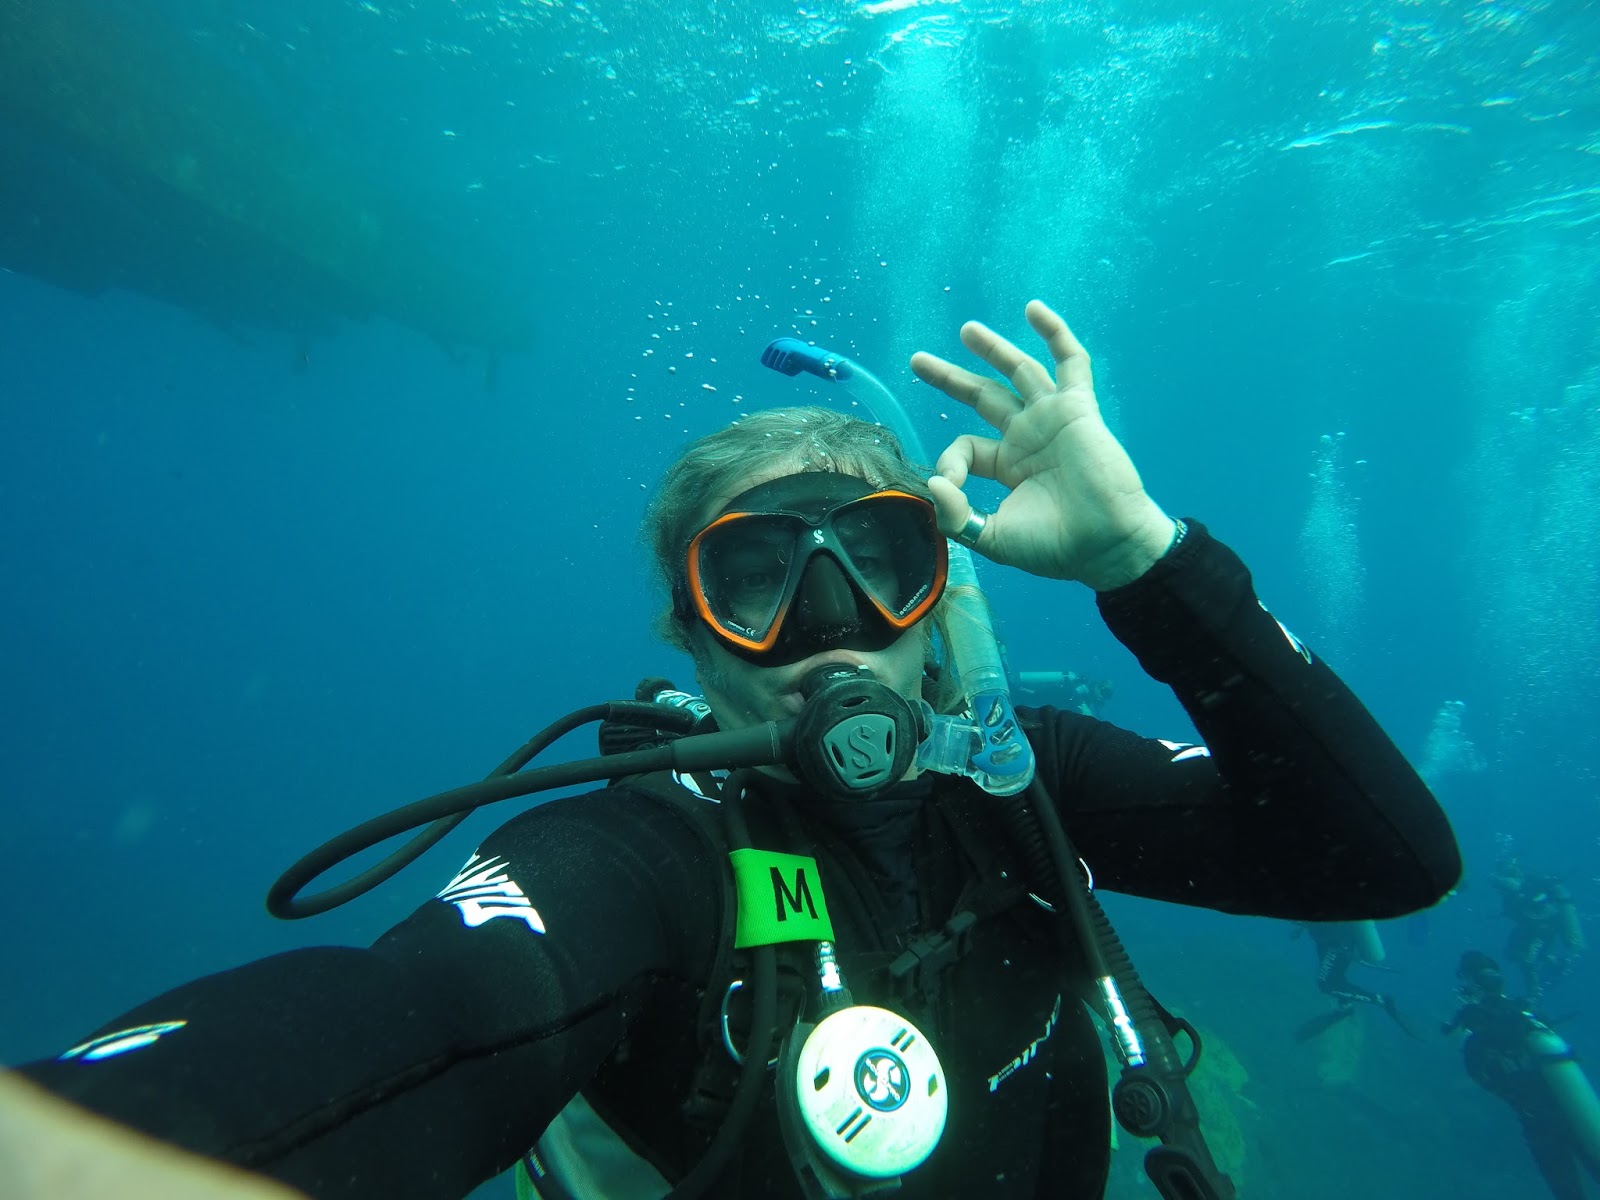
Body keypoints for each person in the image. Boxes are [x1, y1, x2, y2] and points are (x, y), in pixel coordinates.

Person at [4, 301, 1461, 1200]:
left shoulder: (1032, 783)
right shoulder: (651, 844)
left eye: (878, 562)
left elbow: (1386, 860)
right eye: (757, 580)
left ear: (939, 601)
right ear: (696, 640)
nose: (829, 624)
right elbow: (427, 1018)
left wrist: (1146, 558)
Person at [1443, 951, 1600, 1200]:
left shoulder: (1476, 1018)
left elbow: (1476, 1069)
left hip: (1538, 1120)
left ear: (1470, 980)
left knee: (1569, 1192)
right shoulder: (1525, 1011)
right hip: (1574, 1106)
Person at [1290, 921, 1419, 1041]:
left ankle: (1382, 1001)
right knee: (1336, 978)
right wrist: (1301, 929)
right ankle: (1344, 1007)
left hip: (1336, 943)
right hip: (1329, 940)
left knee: (1326, 984)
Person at [1491, 856, 1585, 1002]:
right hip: (1536, 927)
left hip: (1541, 927)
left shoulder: (1527, 887)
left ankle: (1533, 996)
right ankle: (1552, 965)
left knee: (1527, 960)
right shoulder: (1523, 889)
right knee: (1516, 954)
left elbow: (1538, 913)